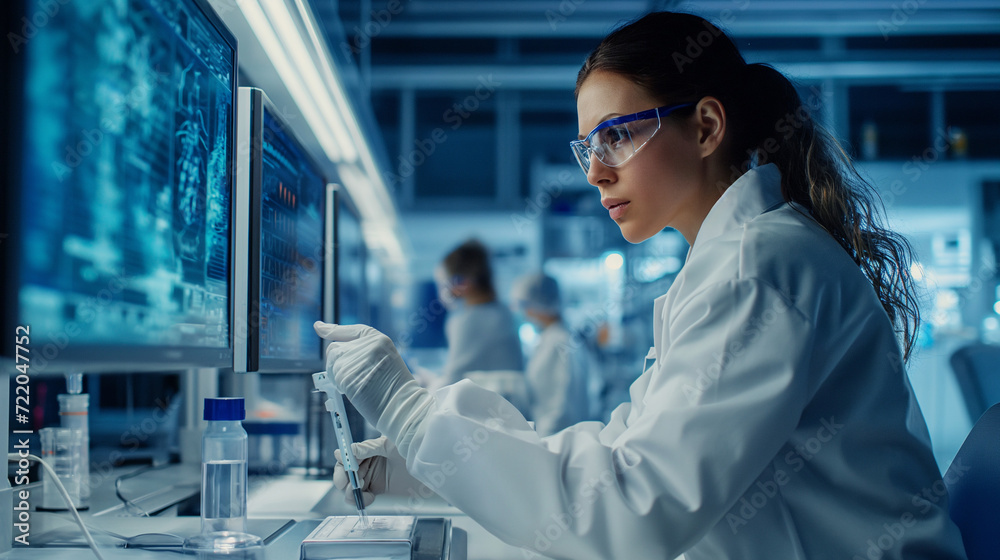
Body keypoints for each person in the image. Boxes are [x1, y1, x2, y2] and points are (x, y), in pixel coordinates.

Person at [314, 11, 968, 560]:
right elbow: (622, 451)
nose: (595, 173)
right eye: (587, 147)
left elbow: (632, 514)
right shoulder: (731, 262)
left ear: (707, 128)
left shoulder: (757, 267)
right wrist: (428, 465)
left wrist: (410, 412)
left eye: (616, 137)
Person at [512, 272, 591, 436]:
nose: (524, 312)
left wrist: (543, 443)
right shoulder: (550, 339)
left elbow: (561, 407)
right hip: (553, 437)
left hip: (557, 439)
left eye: (525, 305)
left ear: (538, 304)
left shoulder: (559, 342)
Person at [434, 239, 523, 386]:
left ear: (464, 282)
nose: (445, 288)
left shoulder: (468, 321)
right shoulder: (503, 314)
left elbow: (452, 380)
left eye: (447, 281)